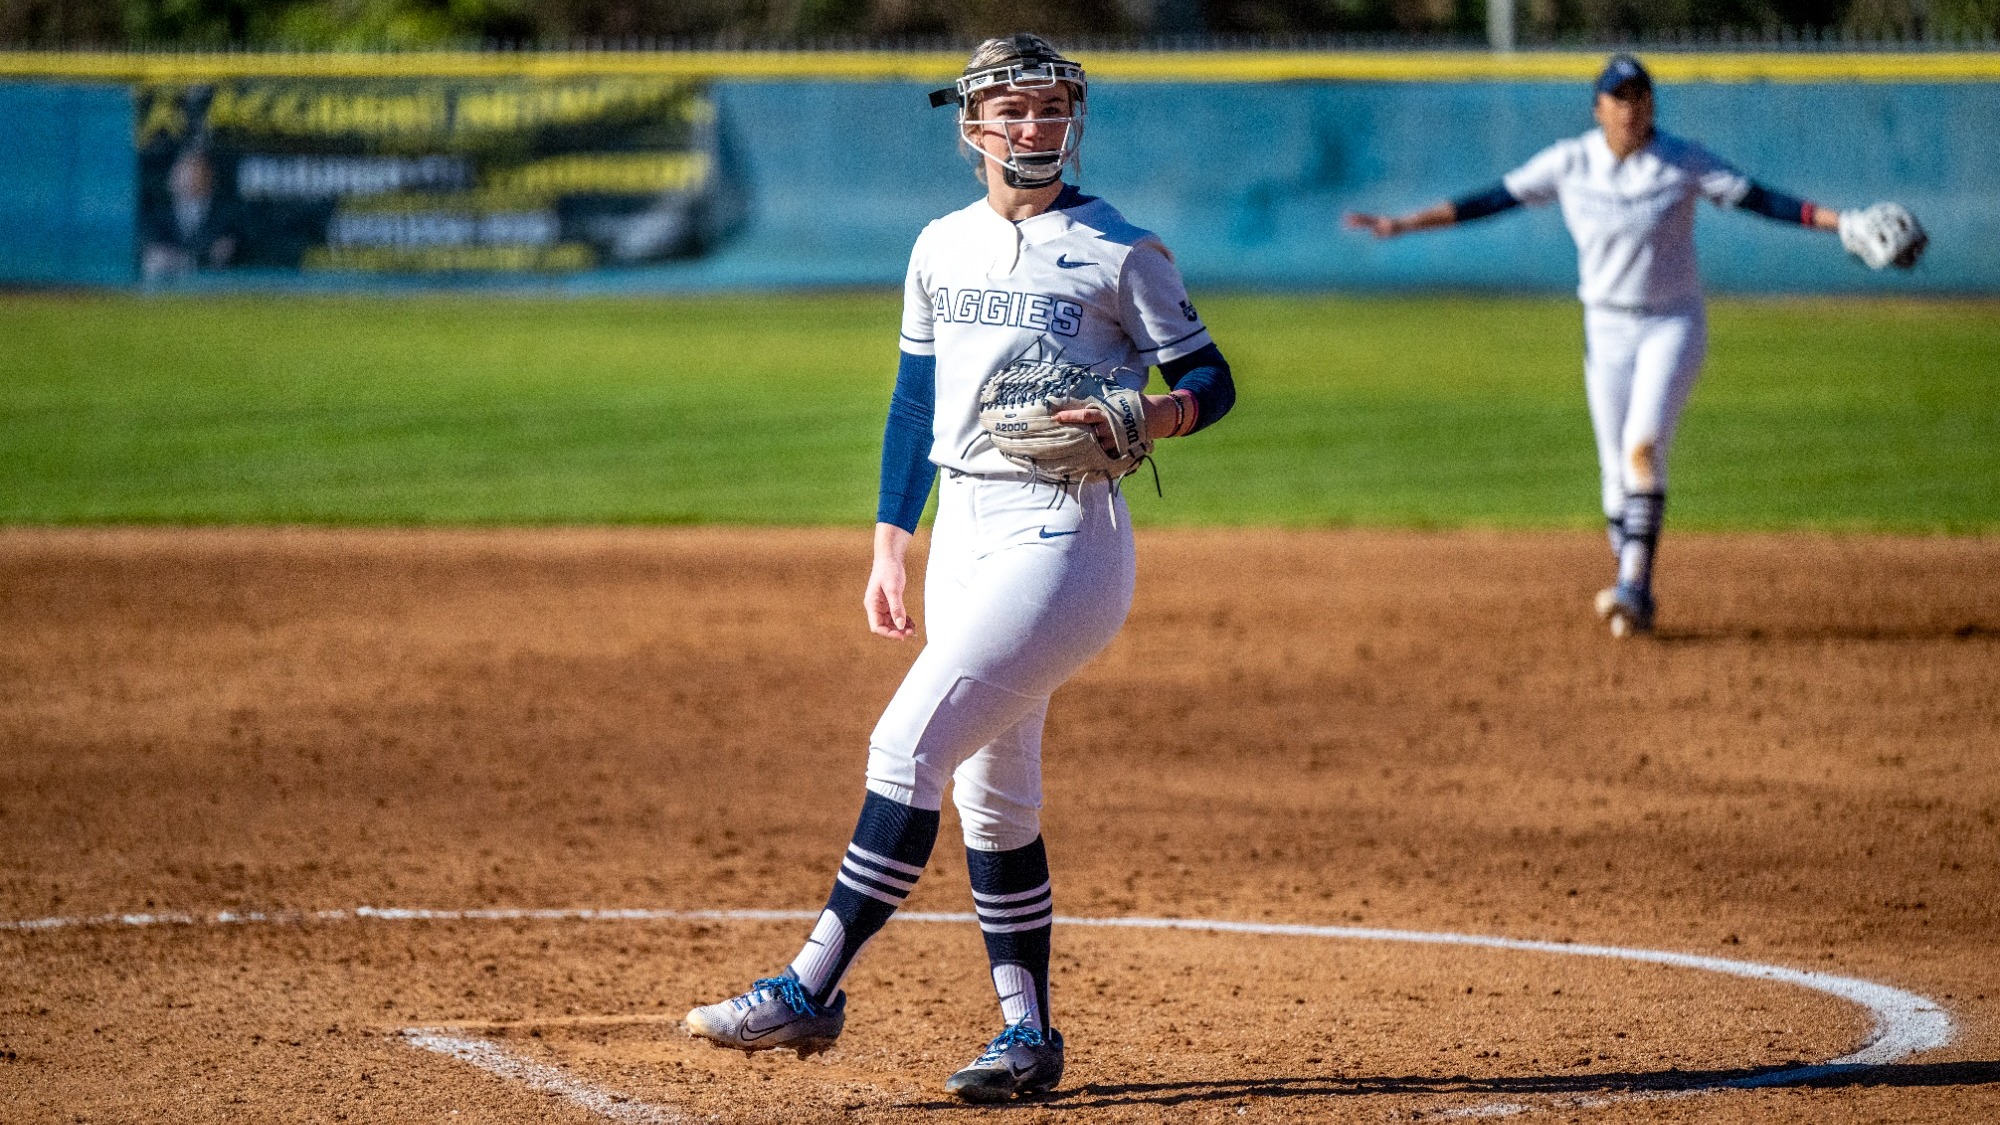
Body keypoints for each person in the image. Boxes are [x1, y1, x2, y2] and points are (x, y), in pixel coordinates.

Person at [683, 33, 1235, 1101]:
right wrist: (891, 540)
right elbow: (910, 399)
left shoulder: (1119, 250)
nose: (1033, 125)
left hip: (1064, 536)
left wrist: (1159, 410)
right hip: (964, 533)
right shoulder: (937, 244)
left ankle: (808, 986)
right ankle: (1025, 1038)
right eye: (1013, 108)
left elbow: (1209, 378)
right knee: (993, 801)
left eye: (1049, 106)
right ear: (971, 124)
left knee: (903, 746)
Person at [1345, 53, 1867, 637]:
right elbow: (1489, 200)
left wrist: (1842, 223)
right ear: (1597, 108)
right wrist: (1403, 224)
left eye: (1640, 96)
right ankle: (1633, 595)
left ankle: (1633, 584)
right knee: (1614, 472)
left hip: (1672, 323)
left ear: (1652, 105)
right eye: (1619, 98)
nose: (1631, 107)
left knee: (1643, 448)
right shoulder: (1571, 162)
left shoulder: (1681, 161)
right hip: (1605, 328)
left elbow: (1763, 199)